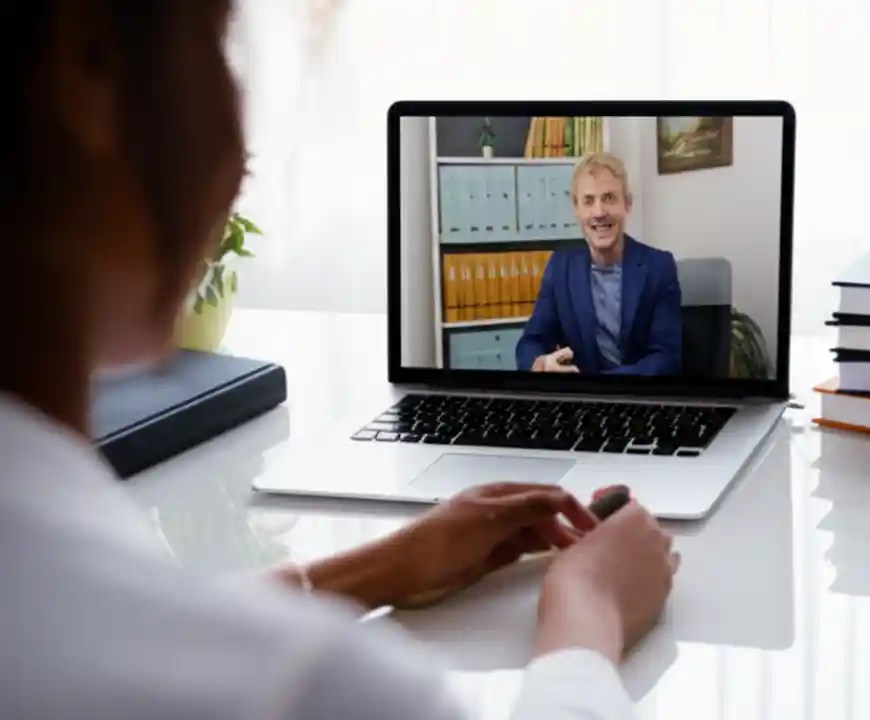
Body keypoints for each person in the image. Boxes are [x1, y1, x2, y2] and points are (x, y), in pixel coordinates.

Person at [0, 3, 677, 718]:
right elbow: (529, 346)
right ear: (90, 56)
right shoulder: (316, 689)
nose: (243, 133)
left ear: (626, 206)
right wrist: (587, 619)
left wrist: (373, 568)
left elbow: (120, 637)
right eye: (222, 41)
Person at [516, 153, 682, 376]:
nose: (599, 212)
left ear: (627, 204)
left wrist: (601, 385)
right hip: (580, 400)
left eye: (609, 198)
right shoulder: (560, 267)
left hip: (640, 398)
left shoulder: (659, 267)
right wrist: (542, 364)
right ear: (576, 209)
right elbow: (531, 342)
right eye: (588, 201)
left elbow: (666, 357)